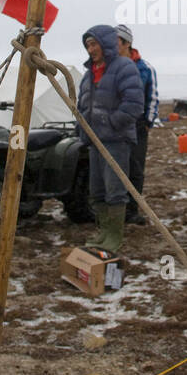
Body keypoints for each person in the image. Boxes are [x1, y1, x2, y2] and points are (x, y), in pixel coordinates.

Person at [76, 25, 143, 254]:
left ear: (105, 43)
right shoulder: (88, 74)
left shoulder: (124, 67)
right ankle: (103, 232)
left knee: (115, 190)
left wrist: (111, 123)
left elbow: (134, 104)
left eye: (94, 43)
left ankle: (115, 236)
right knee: (97, 190)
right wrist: (82, 129)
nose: (90, 49)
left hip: (116, 140)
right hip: (94, 141)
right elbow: (82, 105)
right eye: (87, 45)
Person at [115, 24, 157, 226]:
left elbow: (153, 97)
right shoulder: (108, 66)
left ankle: (131, 211)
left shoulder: (145, 68)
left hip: (138, 127)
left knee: (135, 169)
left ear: (126, 43)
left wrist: (147, 122)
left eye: (116, 41)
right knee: (113, 167)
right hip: (114, 126)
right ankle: (114, 211)